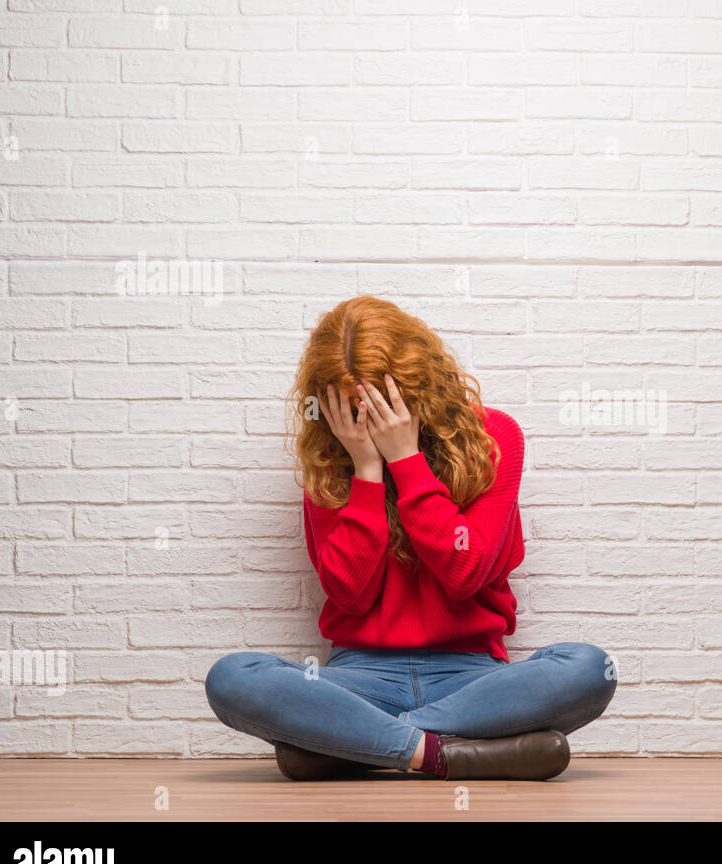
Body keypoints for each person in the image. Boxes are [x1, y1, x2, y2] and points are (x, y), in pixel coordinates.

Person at [204, 296, 617, 780]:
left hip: (472, 678)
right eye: (357, 410)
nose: (373, 422)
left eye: (386, 405)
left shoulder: (493, 436)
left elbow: (465, 573)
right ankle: (438, 753)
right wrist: (365, 470)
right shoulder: (328, 458)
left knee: (588, 667)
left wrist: (406, 461)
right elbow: (350, 596)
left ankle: (352, 741)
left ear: (420, 385)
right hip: (359, 677)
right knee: (233, 677)